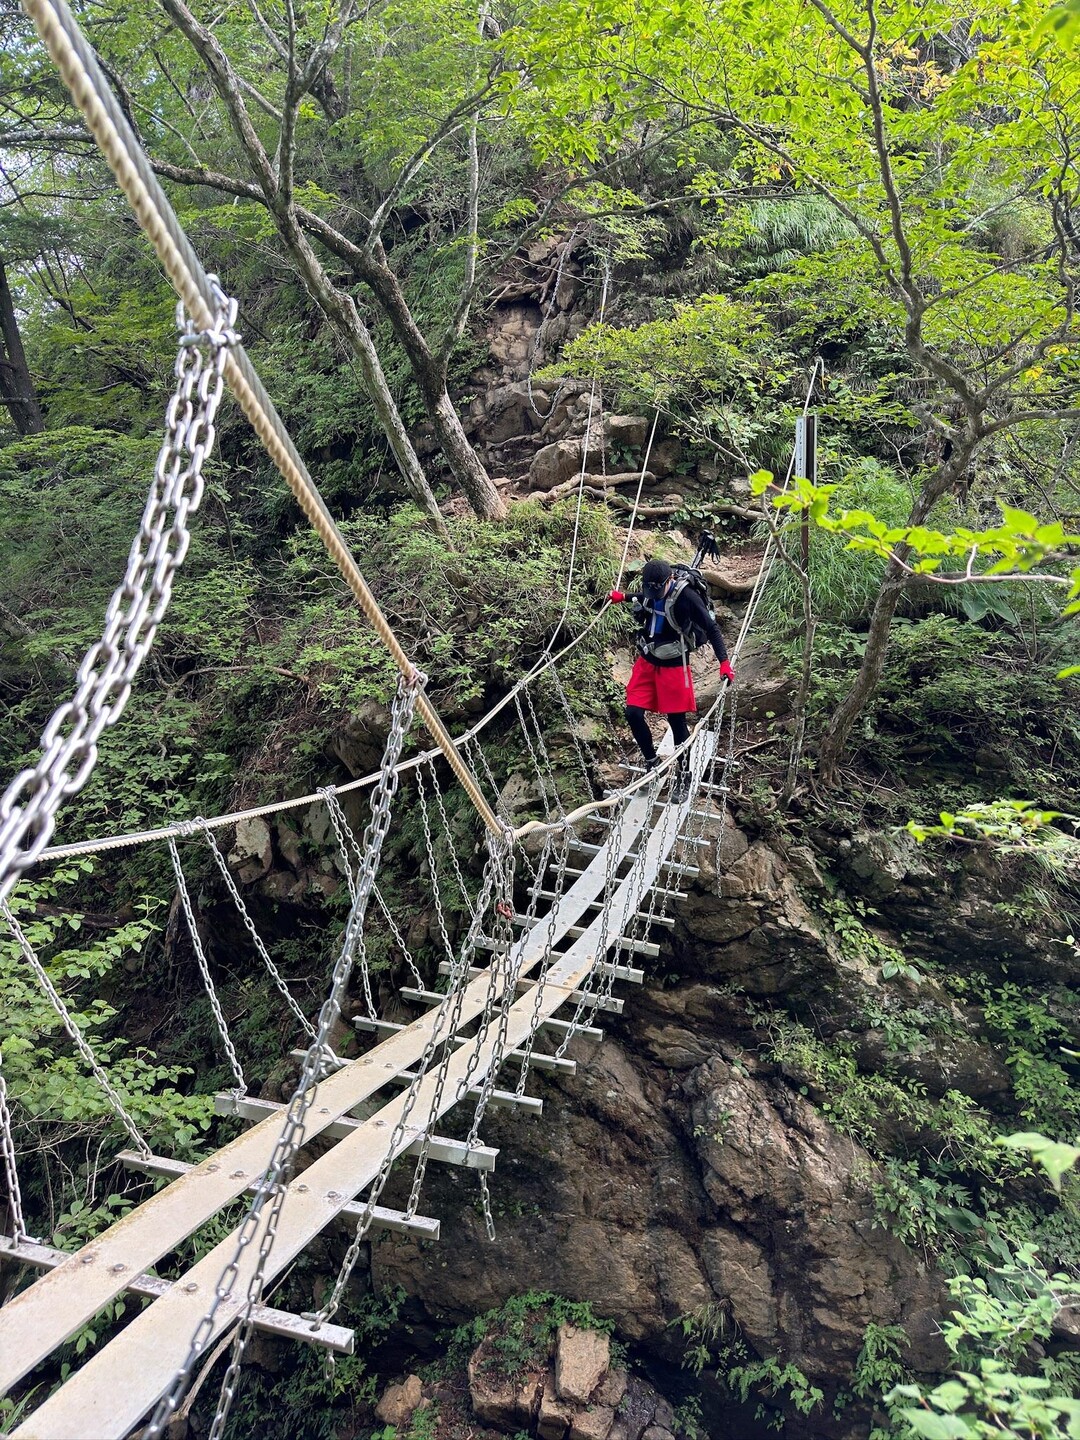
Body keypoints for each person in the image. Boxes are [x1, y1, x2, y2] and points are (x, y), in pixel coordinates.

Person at [609, 558, 734, 803]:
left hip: (675, 666)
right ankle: (652, 764)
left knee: (676, 722)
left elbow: (712, 628)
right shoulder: (651, 590)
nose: (652, 593)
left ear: (670, 581)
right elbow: (644, 598)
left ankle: (684, 775)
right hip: (647, 661)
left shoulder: (686, 597)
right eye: (649, 588)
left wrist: (724, 662)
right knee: (633, 713)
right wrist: (621, 596)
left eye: (657, 589)